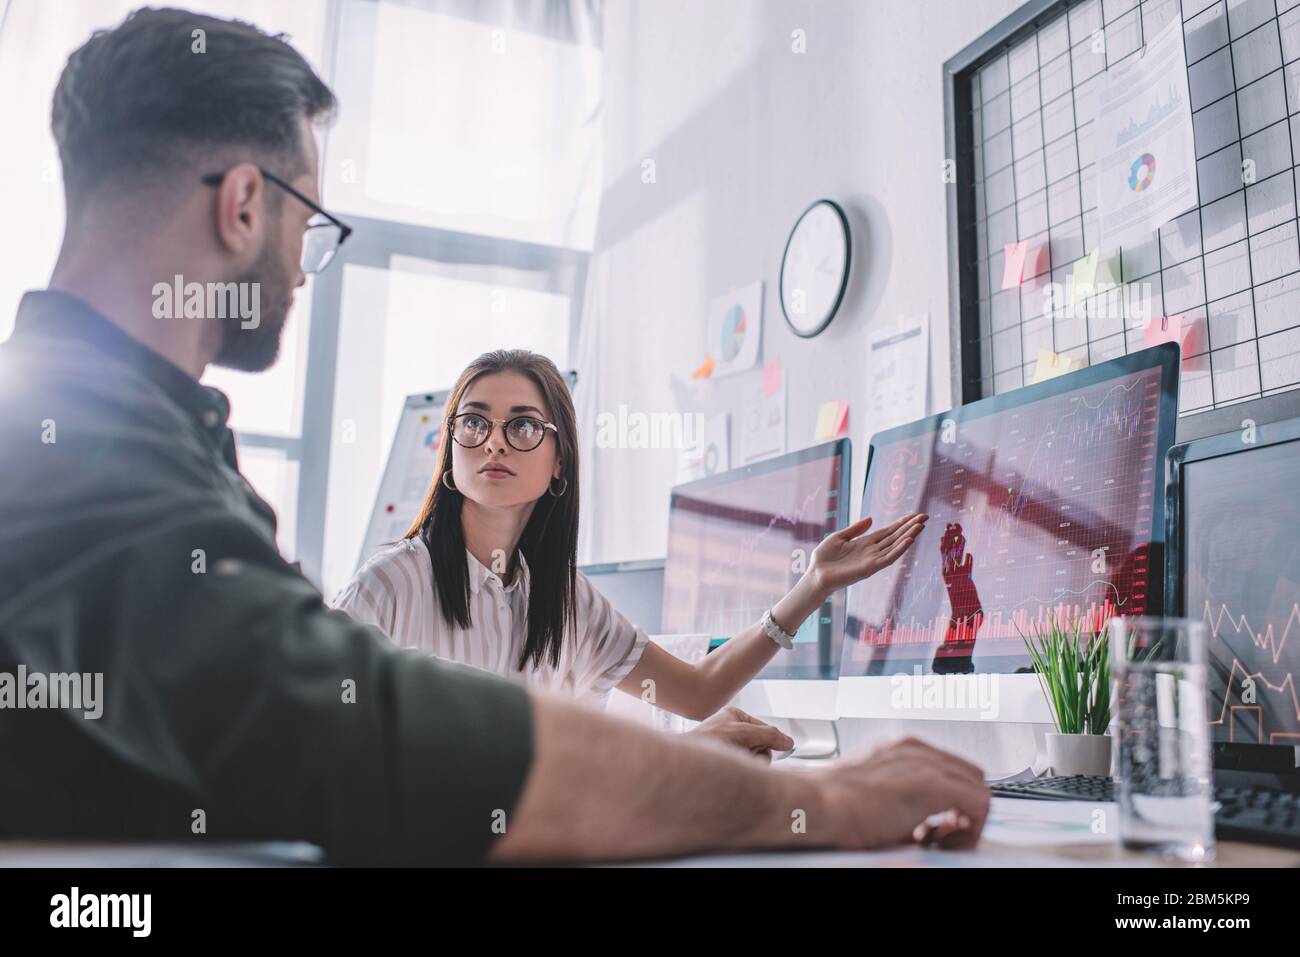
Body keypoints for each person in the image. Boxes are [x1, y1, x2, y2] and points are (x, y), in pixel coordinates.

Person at [0, 6, 989, 864]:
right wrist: (827, 802)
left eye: (526, 427)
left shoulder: (142, 438)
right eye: (309, 220)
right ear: (246, 202)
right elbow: (376, 738)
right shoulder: (74, 447)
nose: (304, 269)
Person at [334, 349, 928, 750]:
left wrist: (813, 587)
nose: (494, 442)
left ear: (558, 459)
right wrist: (685, 760)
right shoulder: (389, 585)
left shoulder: (566, 603)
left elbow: (696, 693)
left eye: (521, 426)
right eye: (474, 423)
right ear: (450, 449)